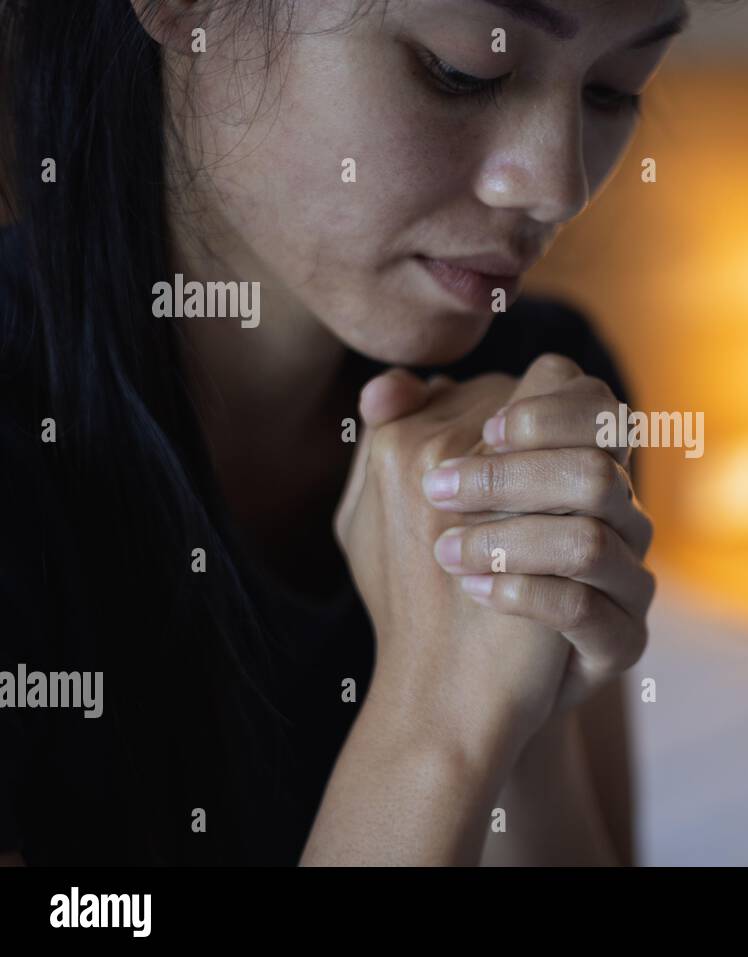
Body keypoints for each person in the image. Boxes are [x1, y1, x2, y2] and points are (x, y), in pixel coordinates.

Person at [0, 0, 692, 865]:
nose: (559, 184)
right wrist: (431, 730)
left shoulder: (546, 385)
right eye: (463, 70)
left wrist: (521, 724)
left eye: (612, 89)